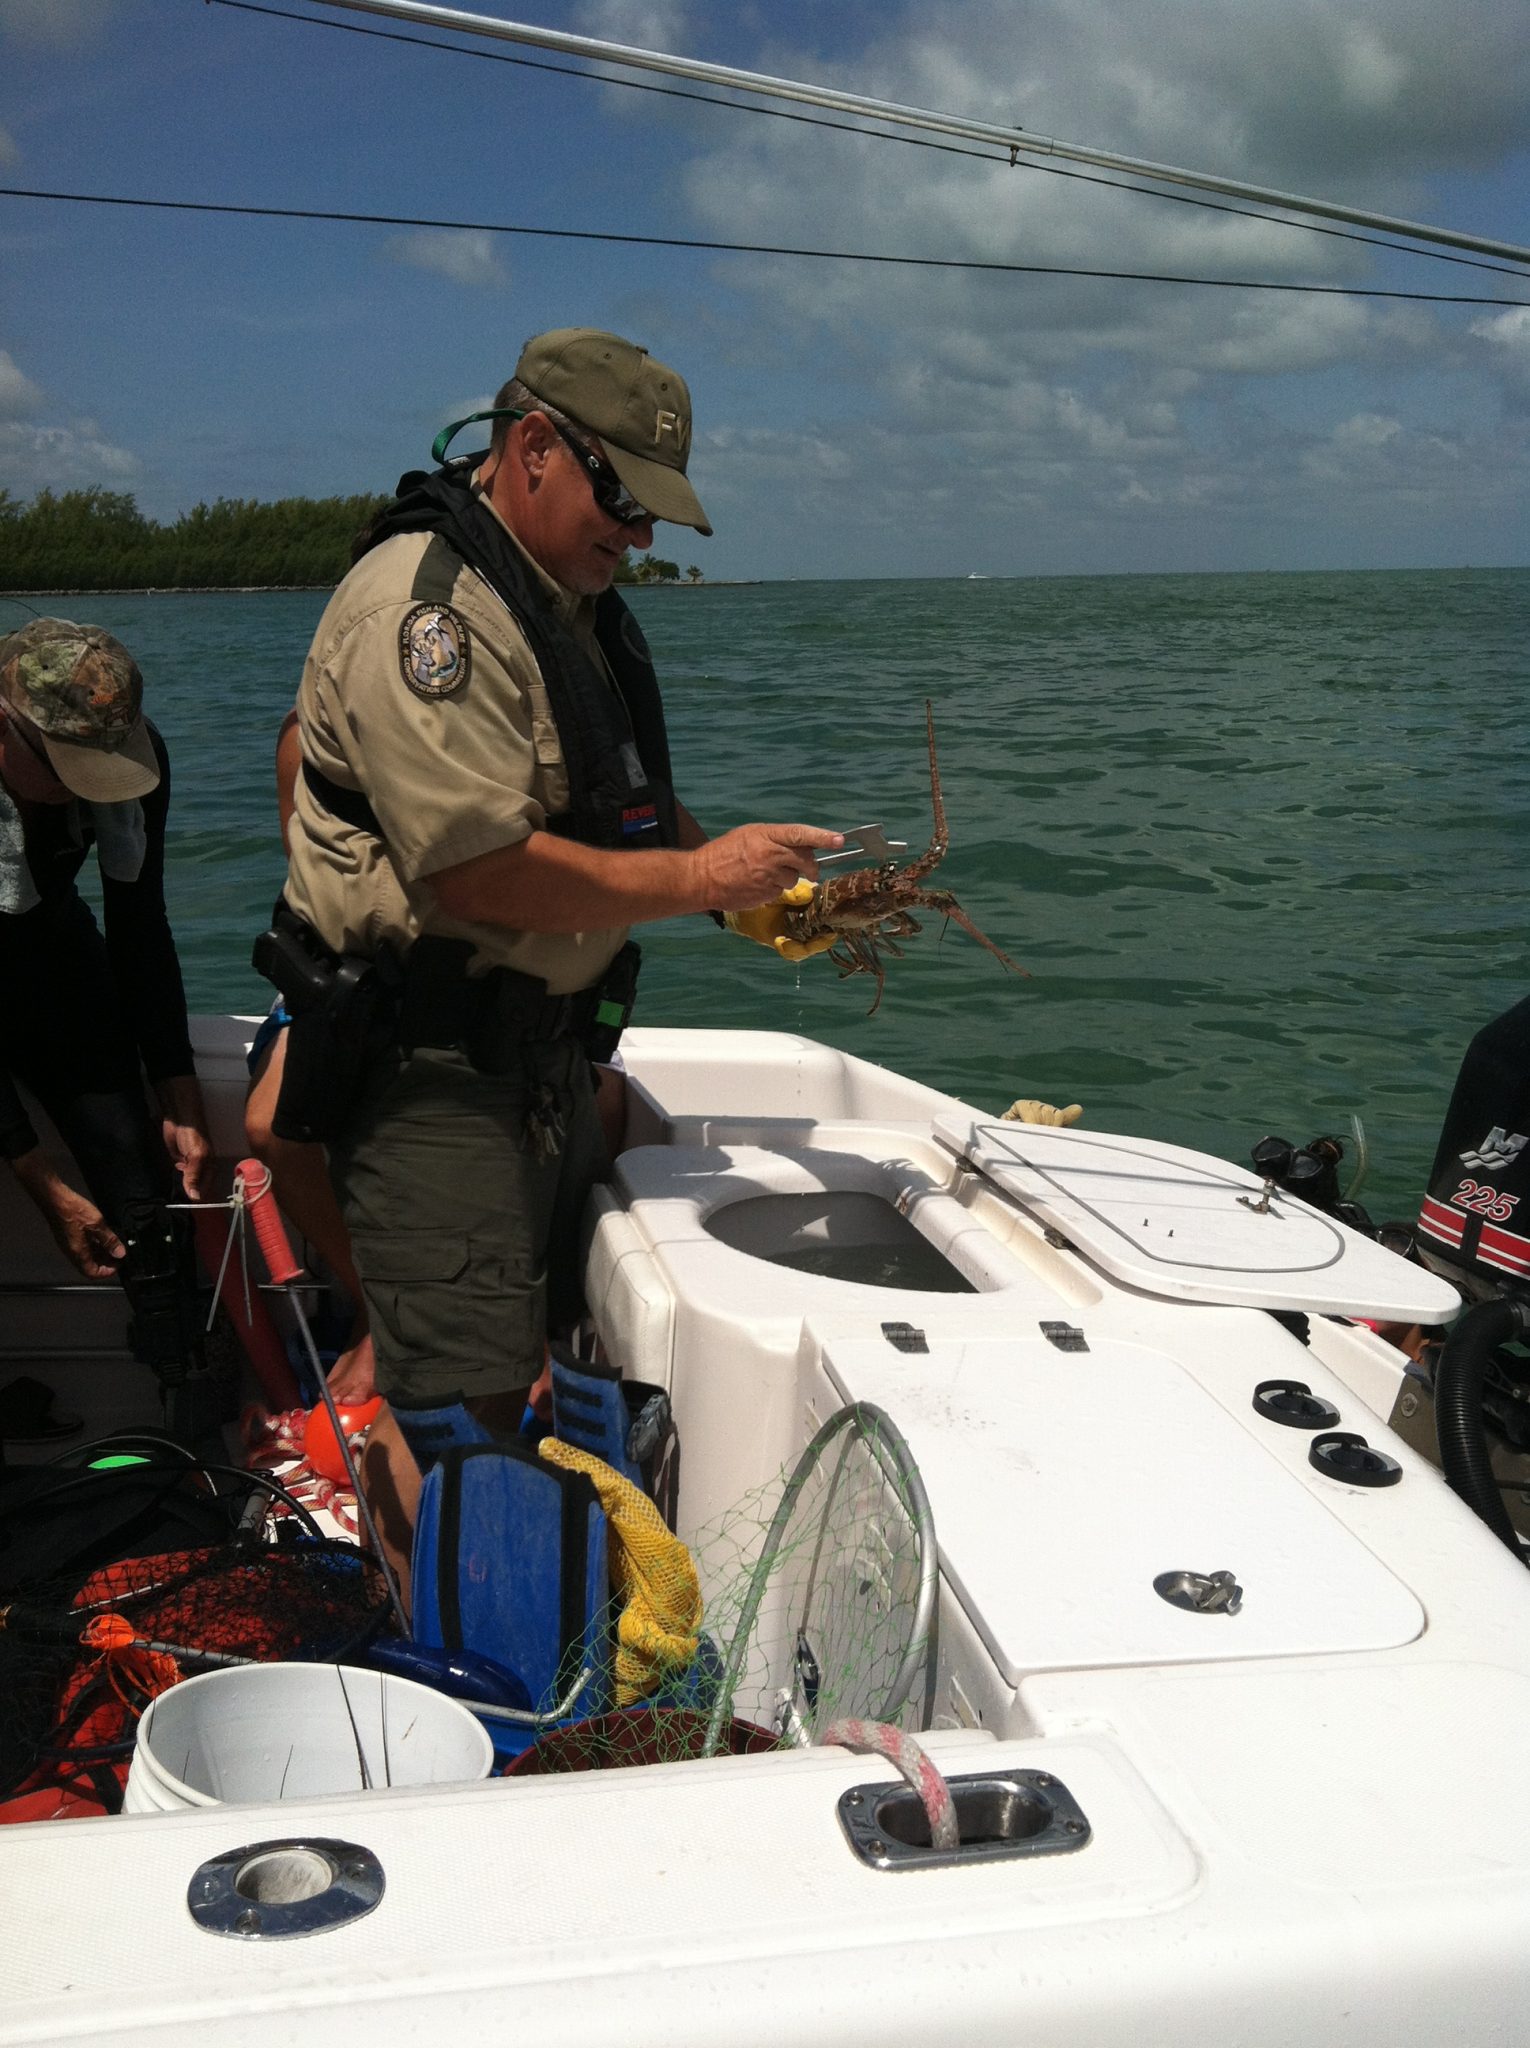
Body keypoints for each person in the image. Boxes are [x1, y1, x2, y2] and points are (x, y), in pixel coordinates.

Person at [271, 326, 841, 1590]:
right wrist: (701, 879)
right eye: (624, 500)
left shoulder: (573, 613)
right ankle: (434, 1650)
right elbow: (477, 867)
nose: (638, 538)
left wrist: (759, 904)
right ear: (533, 448)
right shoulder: (428, 616)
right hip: (432, 1074)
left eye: (655, 517)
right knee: (462, 1412)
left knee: (538, 1345)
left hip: (542, 1059)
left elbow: (625, 807)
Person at [0, 618, 215, 1434]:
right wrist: (42, 1183)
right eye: (67, 774)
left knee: (144, 1196)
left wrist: (180, 1091)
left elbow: (139, 924)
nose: (91, 790)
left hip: (50, 958)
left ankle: (187, 1411)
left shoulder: (133, 760)